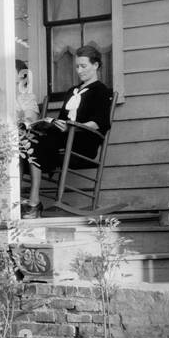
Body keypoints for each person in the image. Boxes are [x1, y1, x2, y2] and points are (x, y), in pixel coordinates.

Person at [23, 43, 112, 217]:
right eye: (77, 66)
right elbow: (64, 117)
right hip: (63, 138)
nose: (79, 70)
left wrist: (73, 127)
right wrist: (55, 124)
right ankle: (31, 202)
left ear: (96, 65)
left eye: (84, 66)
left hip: (83, 142)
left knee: (35, 145)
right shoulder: (72, 91)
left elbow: (99, 122)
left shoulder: (101, 91)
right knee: (28, 139)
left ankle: (34, 203)